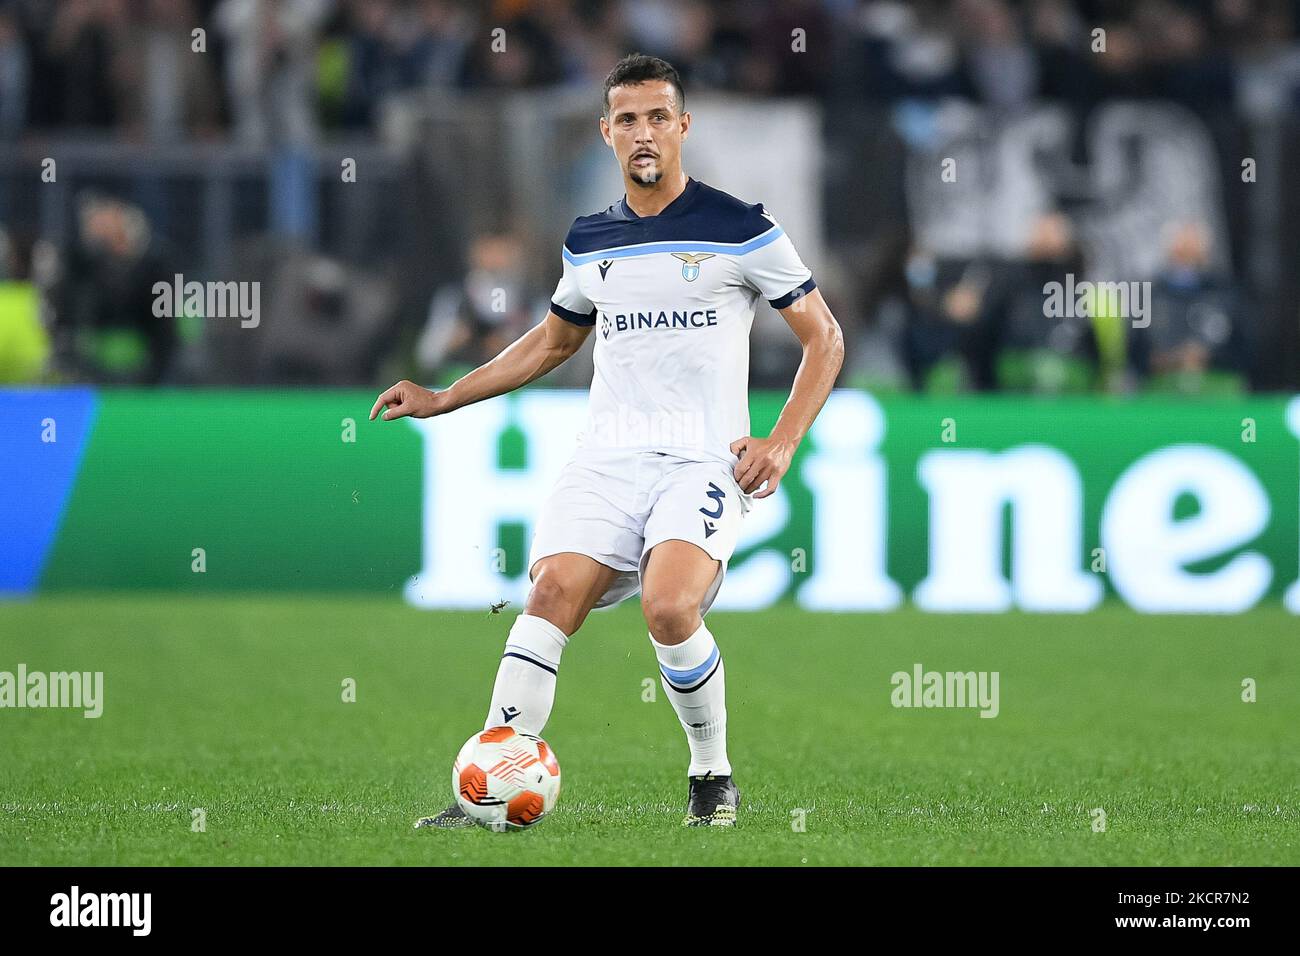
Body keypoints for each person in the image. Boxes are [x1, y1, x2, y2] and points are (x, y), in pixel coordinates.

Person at [370, 53, 844, 828]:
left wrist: (782, 443)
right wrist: (446, 395)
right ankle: (488, 787)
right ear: (607, 133)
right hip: (606, 459)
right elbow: (553, 342)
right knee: (550, 594)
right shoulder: (589, 239)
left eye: (659, 116)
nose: (644, 132)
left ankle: (710, 774)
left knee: (668, 608)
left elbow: (824, 339)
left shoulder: (743, 228)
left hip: (702, 462)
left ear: (683, 126)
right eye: (628, 119)